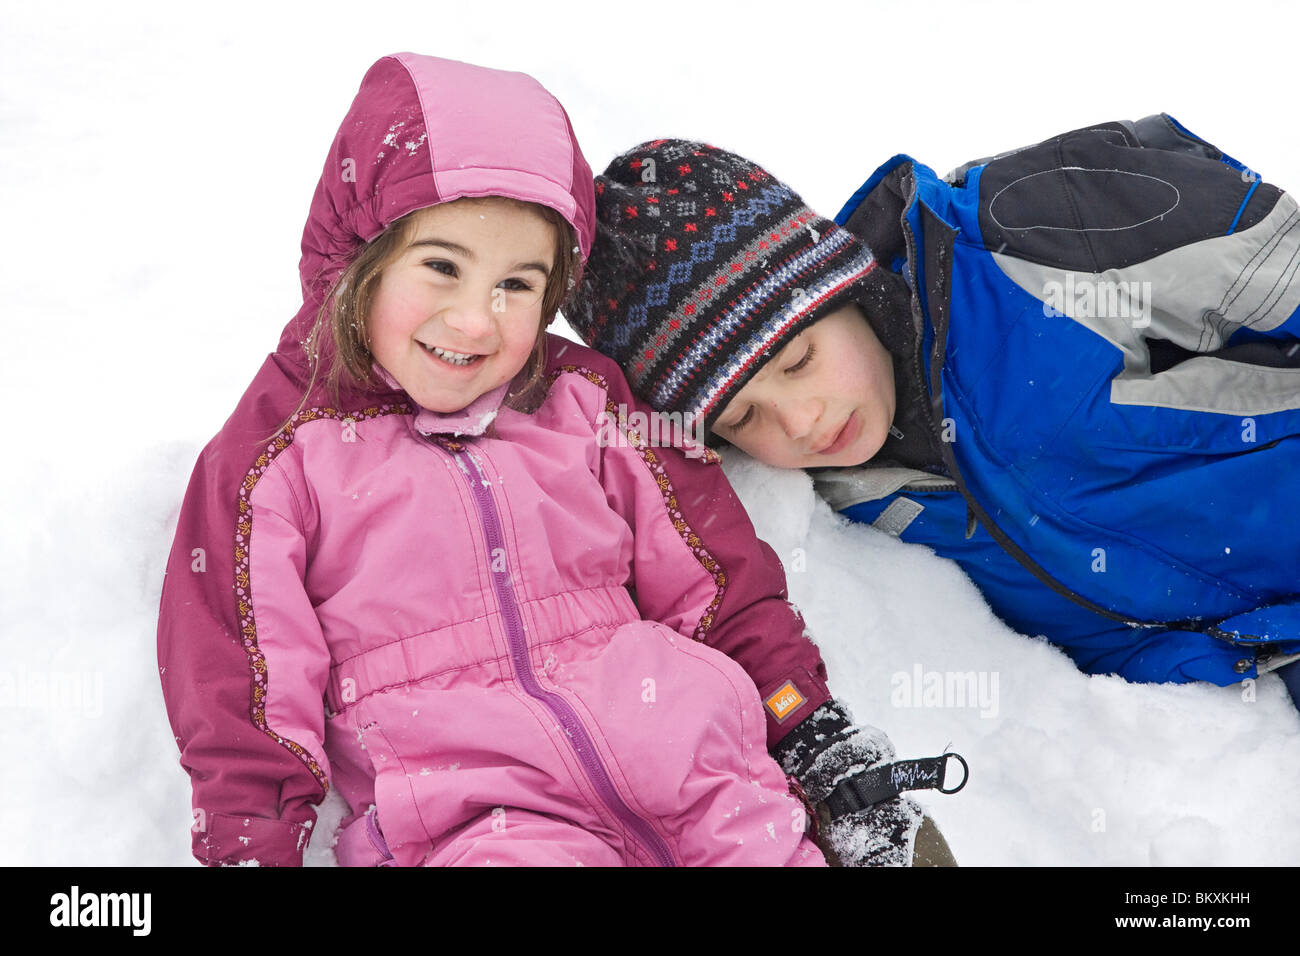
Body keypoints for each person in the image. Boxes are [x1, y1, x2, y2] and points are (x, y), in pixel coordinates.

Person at [155, 53, 959, 868]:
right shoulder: (279, 452)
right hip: (474, 812)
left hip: (702, 779)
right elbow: (243, 680)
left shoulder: (586, 401)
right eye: (443, 267)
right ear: (363, 249)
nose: (476, 320)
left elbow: (718, 585)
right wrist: (250, 847)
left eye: (518, 284)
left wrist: (817, 743)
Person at [567, 122, 1300, 712]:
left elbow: (1278, 268)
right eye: (743, 417)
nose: (799, 423)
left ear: (841, 285)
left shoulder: (1036, 231)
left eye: (798, 363)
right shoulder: (854, 504)